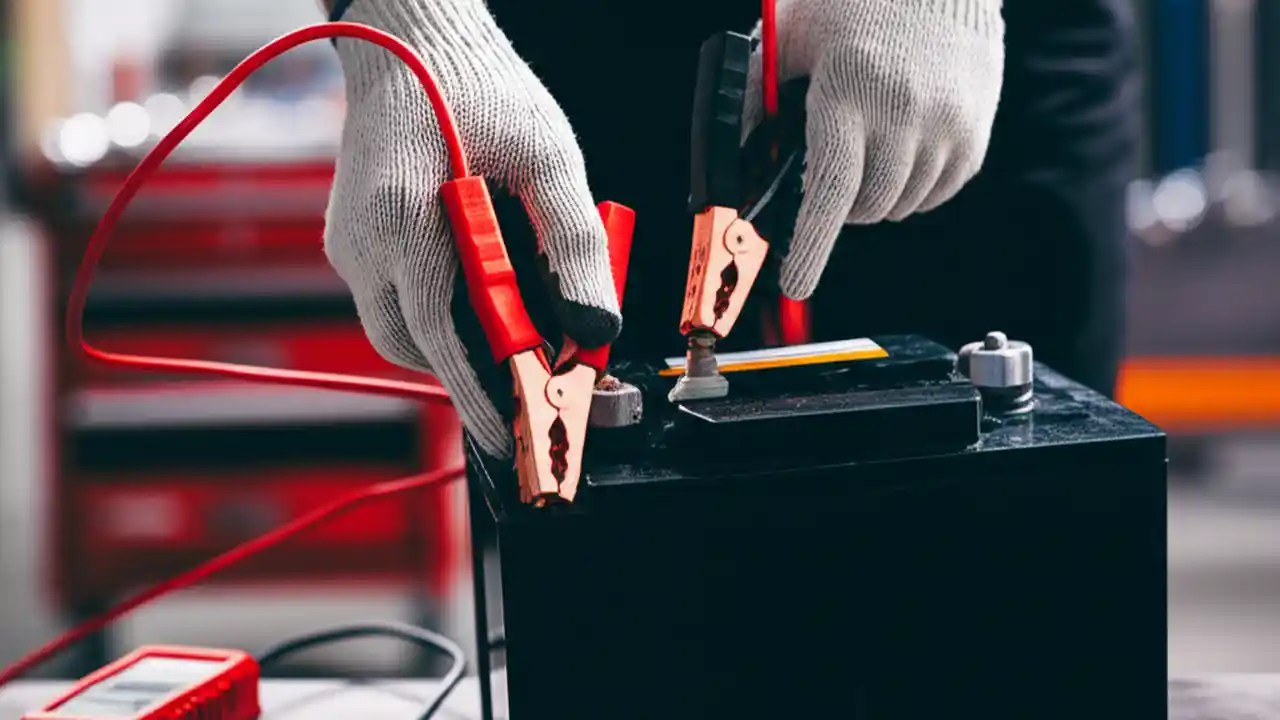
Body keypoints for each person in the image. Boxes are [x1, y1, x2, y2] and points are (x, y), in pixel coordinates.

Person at [317, 0, 1137, 459]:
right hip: (559, 49)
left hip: (957, 43)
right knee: (606, 559)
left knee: (1016, 510)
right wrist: (405, 21)